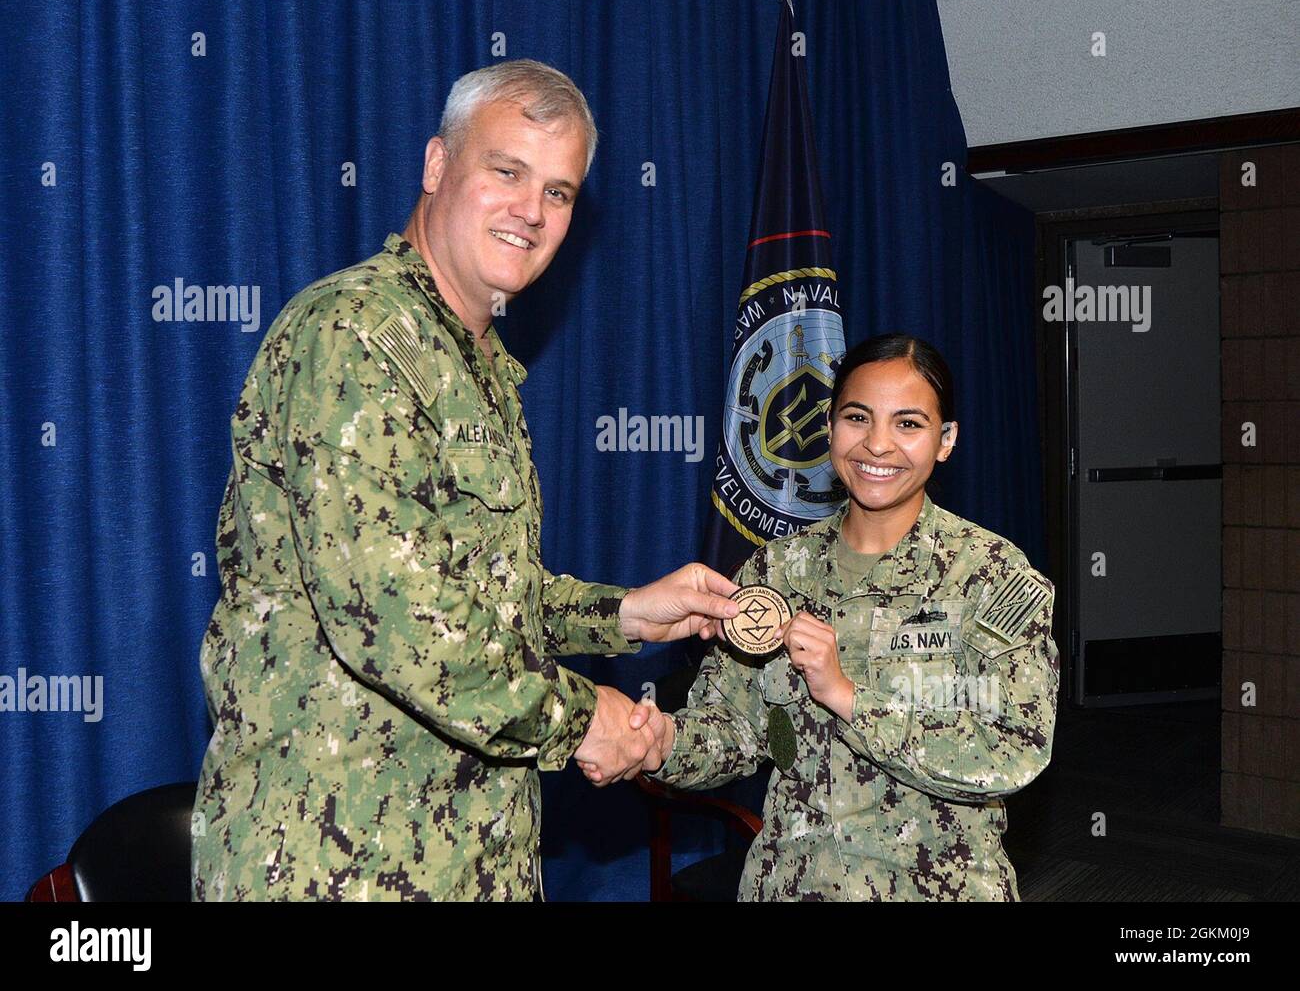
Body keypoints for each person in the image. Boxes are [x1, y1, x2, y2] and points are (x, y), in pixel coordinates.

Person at [191, 59, 739, 901]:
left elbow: (483, 595)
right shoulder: (356, 337)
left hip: (466, 860)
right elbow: (396, 622)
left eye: (558, 192)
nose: (532, 210)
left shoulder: (477, 360)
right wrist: (582, 718)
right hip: (336, 863)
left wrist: (622, 613)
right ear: (437, 166)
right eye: (507, 171)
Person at [585, 333, 1059, 901]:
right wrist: (663, 744)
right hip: (792, 883)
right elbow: (733, 728)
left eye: (908, 424)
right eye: (857, 418)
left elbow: (1014, 748)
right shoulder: (775, 570)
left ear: (946, 440)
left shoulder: (991, 575)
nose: (877, 445)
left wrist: (847, 696)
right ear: (829, 428)